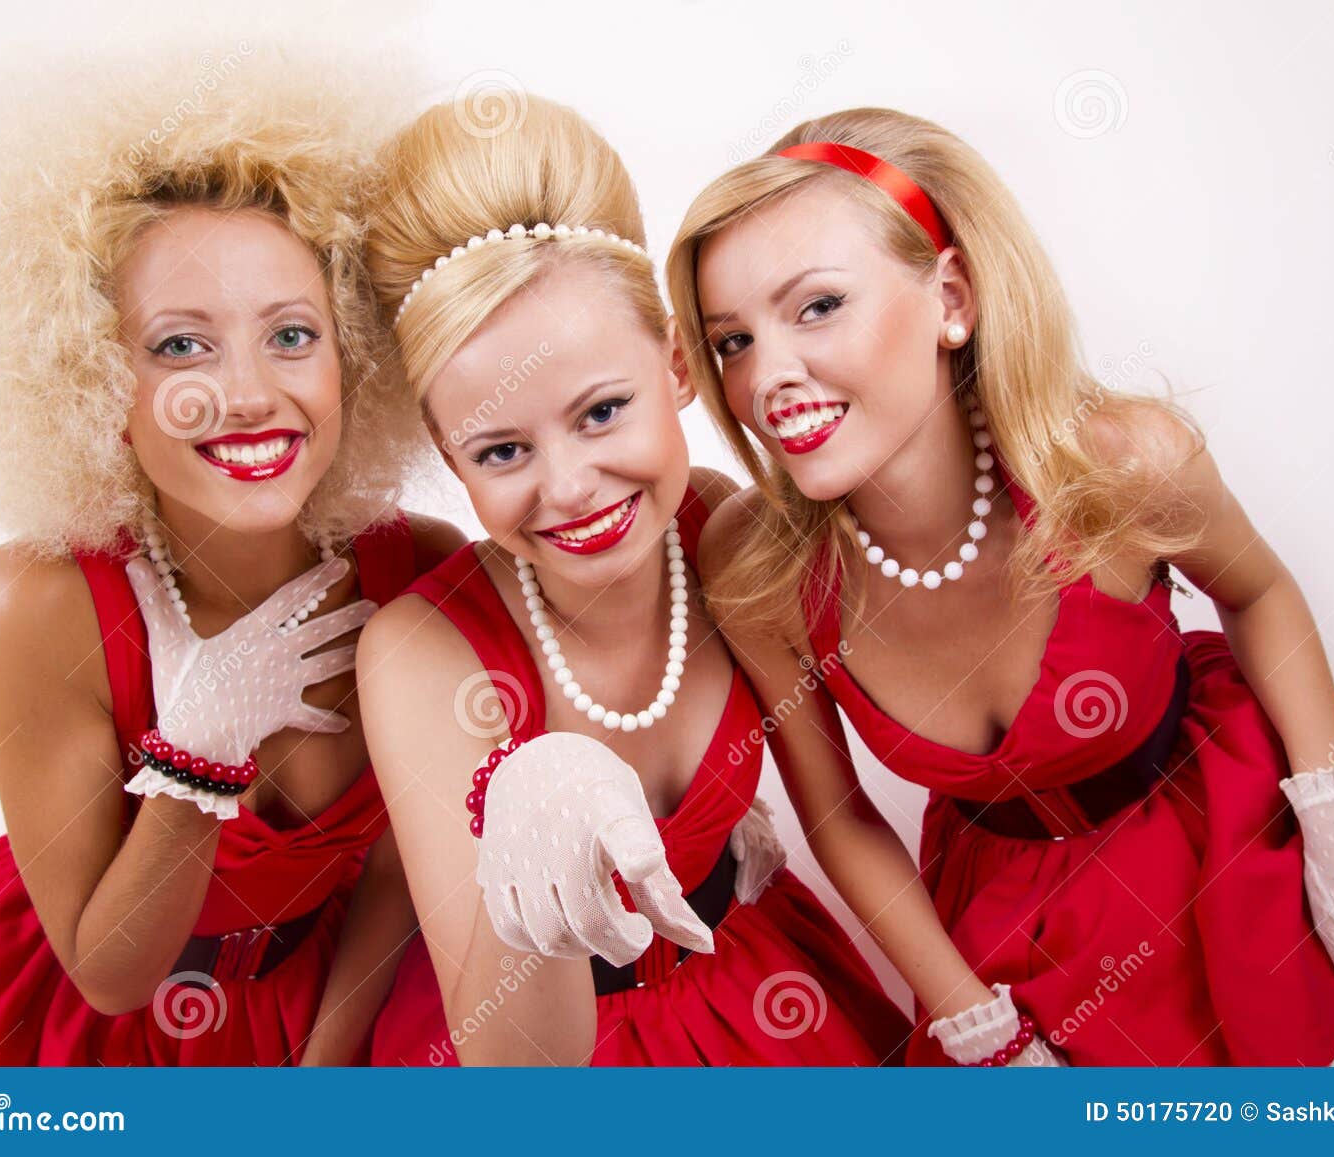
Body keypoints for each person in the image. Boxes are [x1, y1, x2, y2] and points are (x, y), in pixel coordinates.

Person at [661, 109, 1334, 1065]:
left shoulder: (1120, 465)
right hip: (1014, 936)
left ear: (952, 299)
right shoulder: (758, 568)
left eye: (817, 306)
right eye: (731, 341)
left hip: (1234, 851)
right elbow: (839, 814)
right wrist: (971, 1021)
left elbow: (1258, 592)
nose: (768, 376)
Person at [0, 54, 463, 1066]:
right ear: (93, 376)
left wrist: (321, 1074)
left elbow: (404, 872)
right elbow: (109, 971)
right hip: (89, 1034)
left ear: (352, 353)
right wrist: (200, 750)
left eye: (290, 333)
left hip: (330, 1004)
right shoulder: (40, 598)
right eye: (181, 346)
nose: (246, 394)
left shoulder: (421, 569)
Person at [344, 95, 910, 1065]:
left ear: (678, 364)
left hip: (764, 987)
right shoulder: (418, 654)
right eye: (501, 449)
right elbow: (518, 1073)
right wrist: (531, 805)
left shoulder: (722, 534)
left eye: (603, 410)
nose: (569, 488)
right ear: (446, 452)